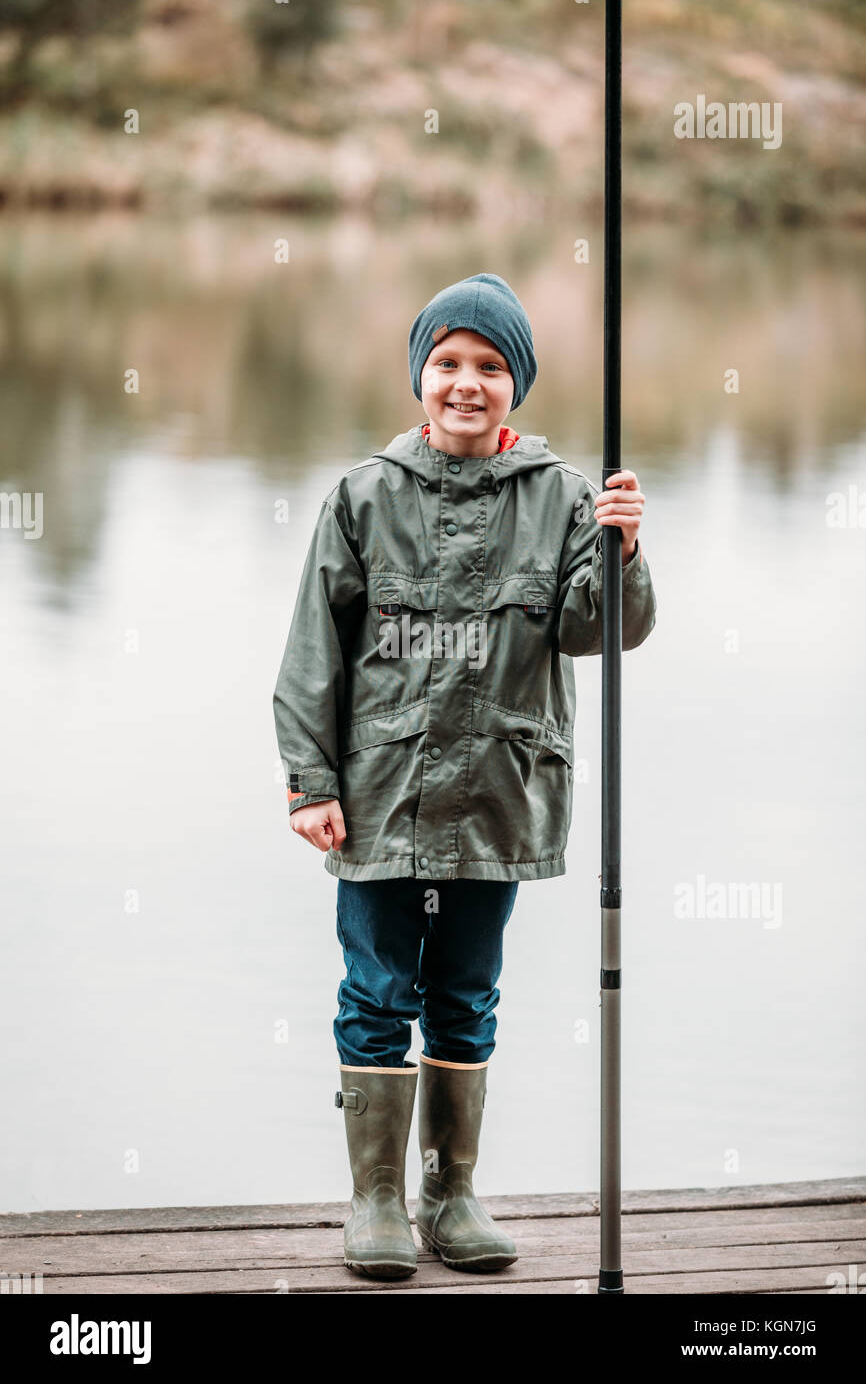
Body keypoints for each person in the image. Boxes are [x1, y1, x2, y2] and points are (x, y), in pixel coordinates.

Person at [272, 273, 657, 1280]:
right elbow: (313, 650)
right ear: (418, 377)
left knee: (467, 994)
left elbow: (595, 632)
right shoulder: (360, 497)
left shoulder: (566, 497)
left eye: (489, 367)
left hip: (496, 801)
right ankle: (375, 1201)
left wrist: (621, 548)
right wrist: (309, 780)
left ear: (515, 385)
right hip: (378, 800)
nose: (465, 383)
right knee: (373, 990)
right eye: (446, 363)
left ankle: (450, 1193)